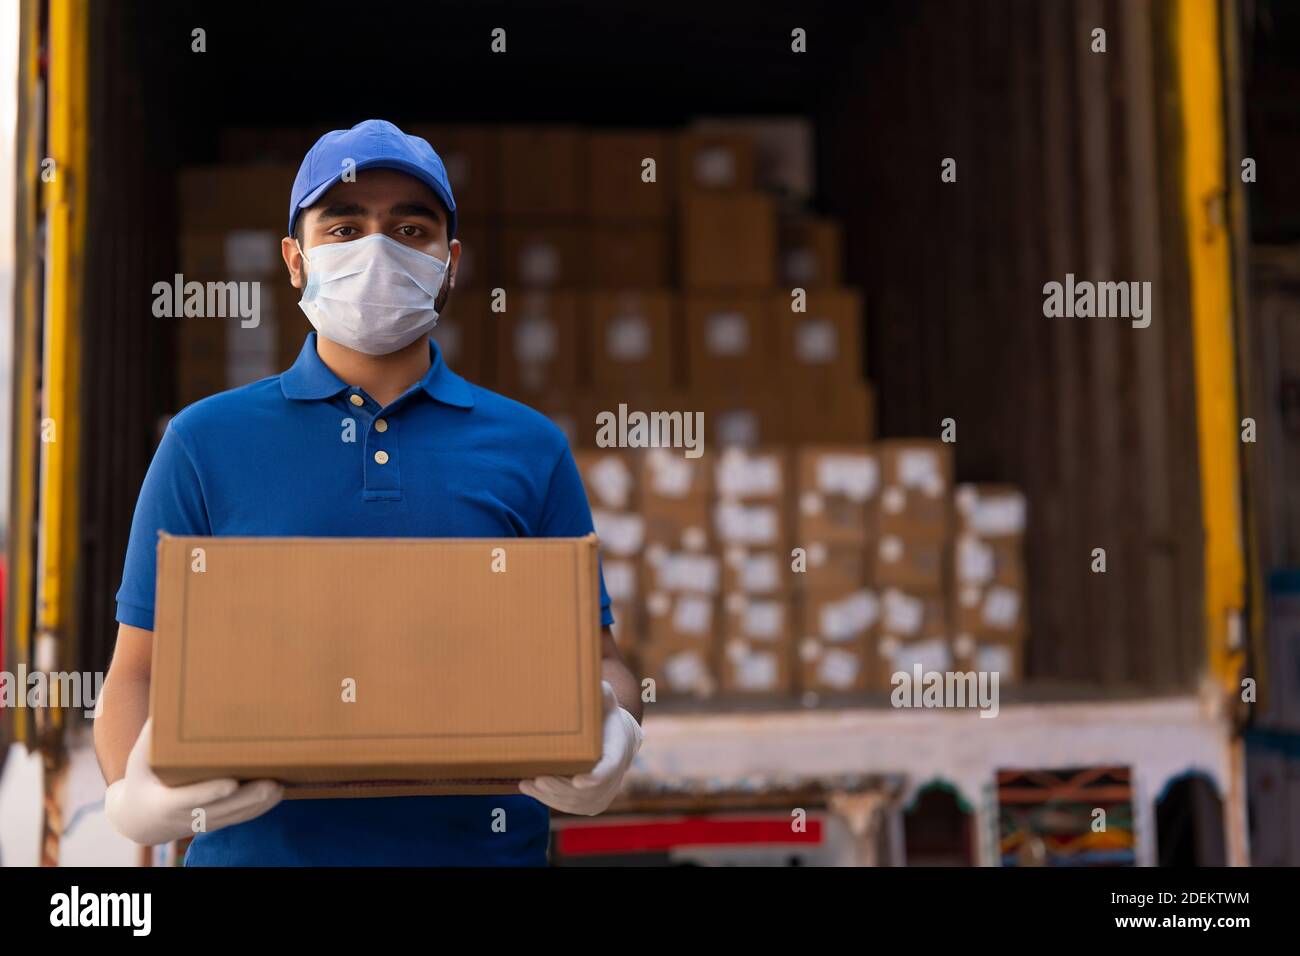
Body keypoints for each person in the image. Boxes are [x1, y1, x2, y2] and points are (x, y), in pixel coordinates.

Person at [93, 119, 643, 866]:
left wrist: (615, 732)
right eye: (345, 226)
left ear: (449, 263)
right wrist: (134, 792)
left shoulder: (529, 446)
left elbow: (599, 658)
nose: (378, 249)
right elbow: (138, 672)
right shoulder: (204, 443)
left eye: (410, 229)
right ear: (295, 260)